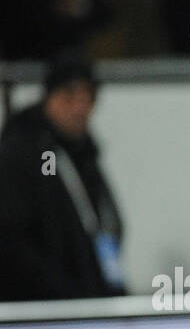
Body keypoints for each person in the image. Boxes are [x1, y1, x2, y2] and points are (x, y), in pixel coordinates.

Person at [0, 53, 125, 301]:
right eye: (69, 96)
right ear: (49, 97)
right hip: (39, 308)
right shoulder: (20, 152)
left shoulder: (85, 154)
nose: (80, 108)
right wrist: (61, 292)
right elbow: (14, 240)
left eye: (87, 98)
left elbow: (106, 222)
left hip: (87, 299)